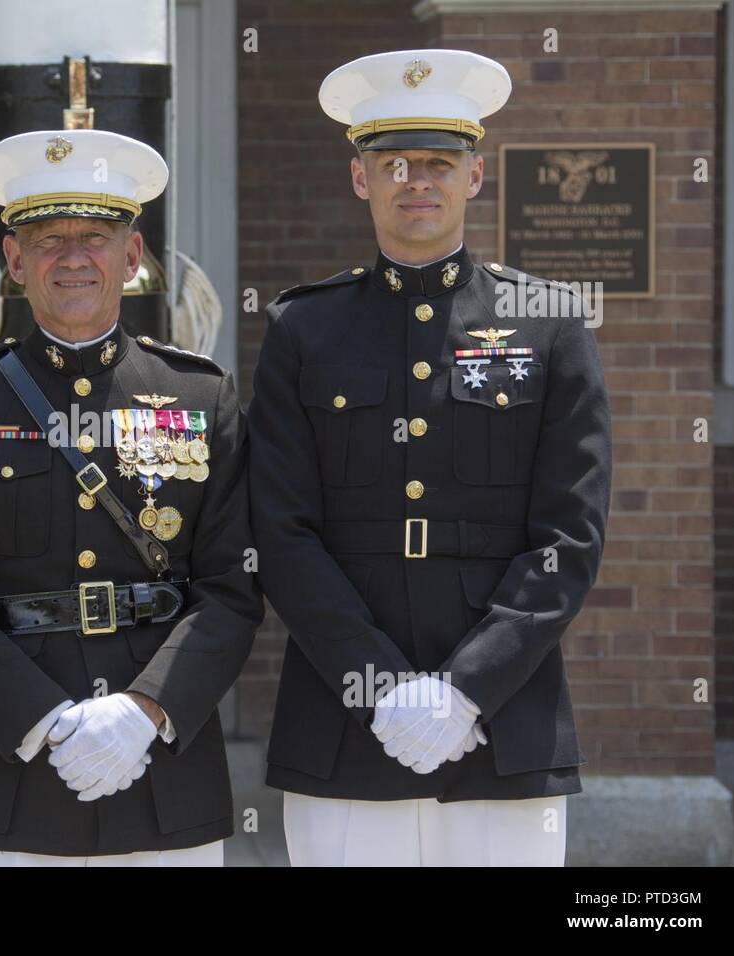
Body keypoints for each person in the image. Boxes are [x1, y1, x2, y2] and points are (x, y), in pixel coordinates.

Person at [249, 49, 611, 866]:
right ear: (360, 179)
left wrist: (467, 689)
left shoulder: (548, 324)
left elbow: (569, 536)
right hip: (344, 720)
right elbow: (281, 531)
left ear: (474, 178)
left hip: (503, 723)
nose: (418, 181)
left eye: (439, 164)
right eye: (395, 164)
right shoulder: (304, 329)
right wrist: (378, 687)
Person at [0, 128, 262, 865]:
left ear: (132, 257)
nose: (72, 257)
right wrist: (40, 718)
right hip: (5, 768)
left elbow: (233, 586)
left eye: (95, 236)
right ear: (13, 259)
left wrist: (147, 707)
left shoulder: (200, 394)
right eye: (46, 238)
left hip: (162, 769)